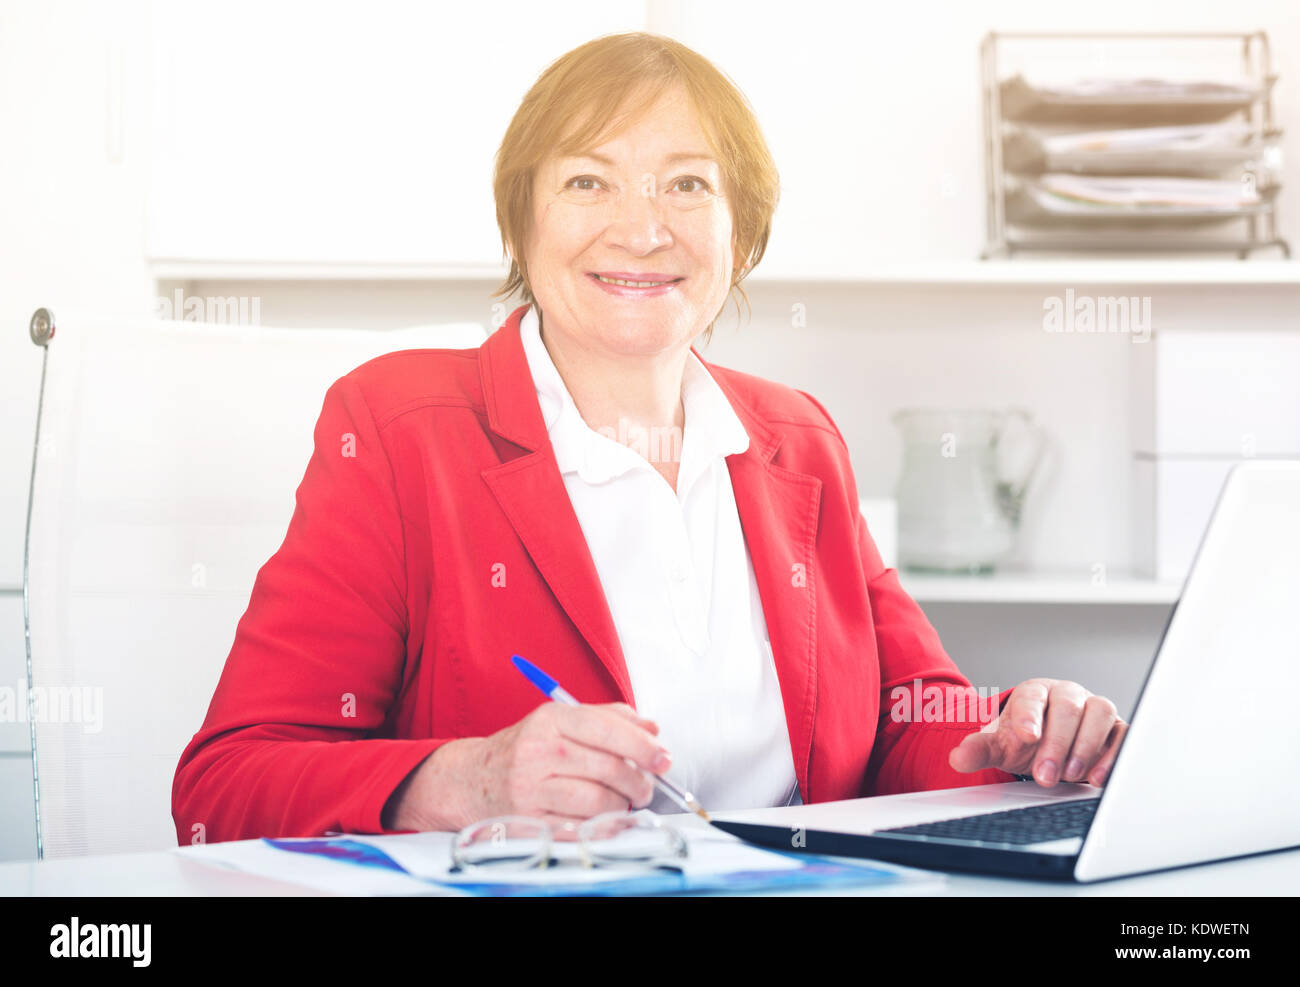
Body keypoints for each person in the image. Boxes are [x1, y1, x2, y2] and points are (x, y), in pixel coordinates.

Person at [172, 32, 1126, 844]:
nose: (640, 229)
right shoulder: (395, 427)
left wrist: (1017, 734)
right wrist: (466, 782)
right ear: (522, 219)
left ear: (740, 236)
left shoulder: (797, 437)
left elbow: (908, 727)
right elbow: (224, 787)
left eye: (686, 185)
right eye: (589, 180)